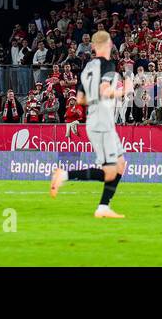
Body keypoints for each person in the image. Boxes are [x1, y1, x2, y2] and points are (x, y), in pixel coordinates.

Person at [49, 30, 132, 218]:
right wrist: (123, 91)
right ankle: (64, 175)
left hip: (96, 119)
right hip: (102, 121)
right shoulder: (108, 65)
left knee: (120, 165)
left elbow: (80, 98)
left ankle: (103, 207)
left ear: (93, 46)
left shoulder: (87, 68)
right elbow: (104, 90)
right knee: (110, 172)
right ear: (108, 45)